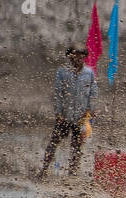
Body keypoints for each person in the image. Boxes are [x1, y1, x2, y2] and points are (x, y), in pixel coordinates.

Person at [37, 46, 97, 179]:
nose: (78, 59)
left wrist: (90, 110)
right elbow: (58, 93)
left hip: (80, 116)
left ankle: (72, 173)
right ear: (69, 57)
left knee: (76, 146)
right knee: (54, 142)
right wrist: (58, 113)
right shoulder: (63, 72)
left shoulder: (89, 73)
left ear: (84, 57)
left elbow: (93, 93)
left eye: (81, 56)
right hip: (65, 115)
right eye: (75, 56)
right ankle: (44, 169)